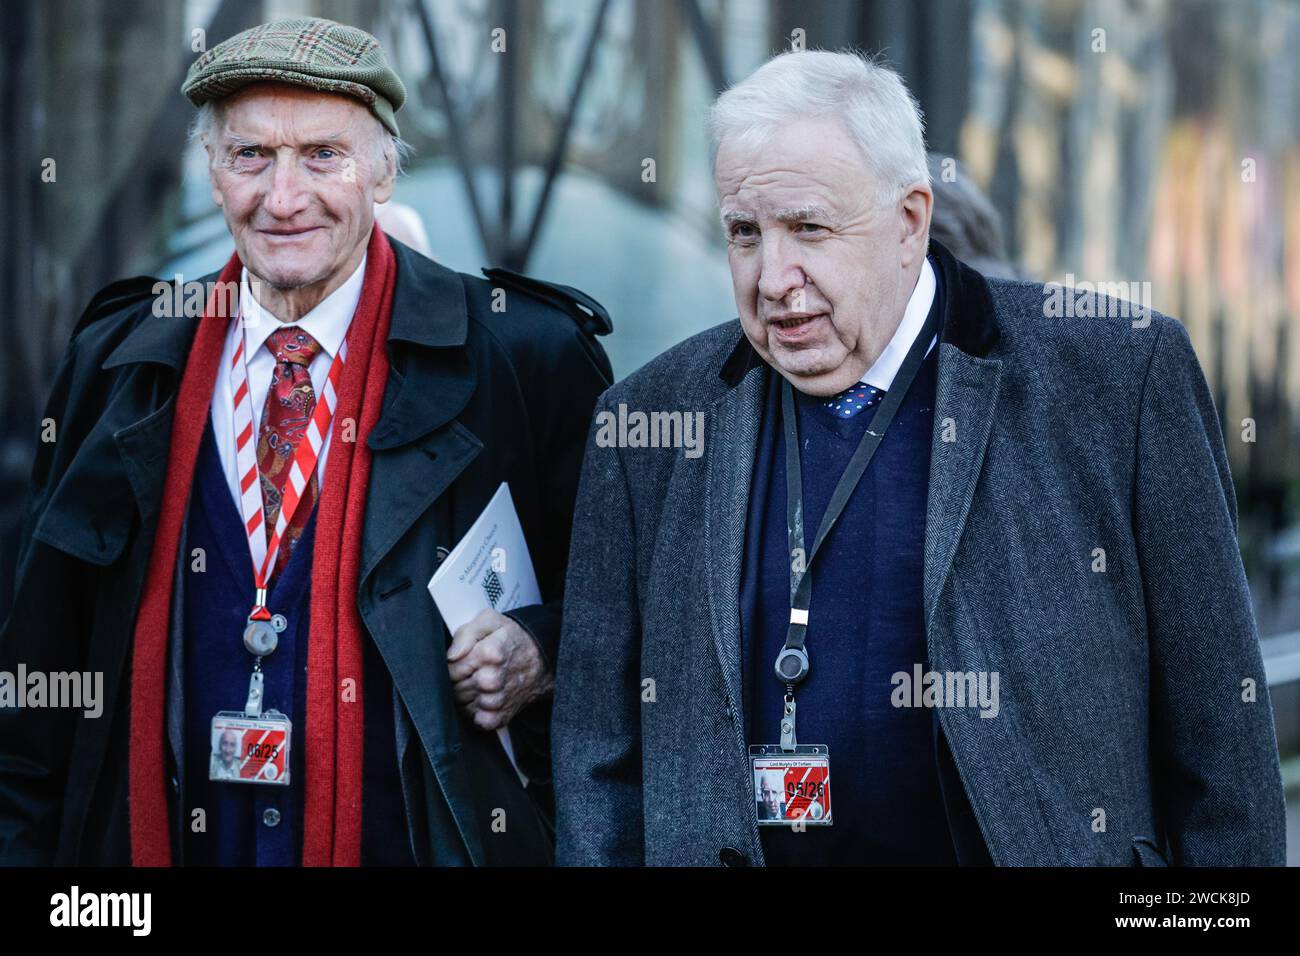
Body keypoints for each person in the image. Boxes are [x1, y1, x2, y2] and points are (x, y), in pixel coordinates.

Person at [553, 50, 1286, 866]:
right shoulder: (648, 420)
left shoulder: (1117, 376)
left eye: (809, 228)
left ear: (910, 220)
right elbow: (597, 750)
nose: (773, 278)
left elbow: (1221, 733)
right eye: (744, 234)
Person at [0, 16, 612, 866]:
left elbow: (637, 622)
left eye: (324, 154)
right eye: (251, 155)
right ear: (212, 176)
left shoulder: (520, 357)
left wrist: (540, 647)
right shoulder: (118, 362)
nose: (284, 198)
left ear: (385, 170)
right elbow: (35, 697)